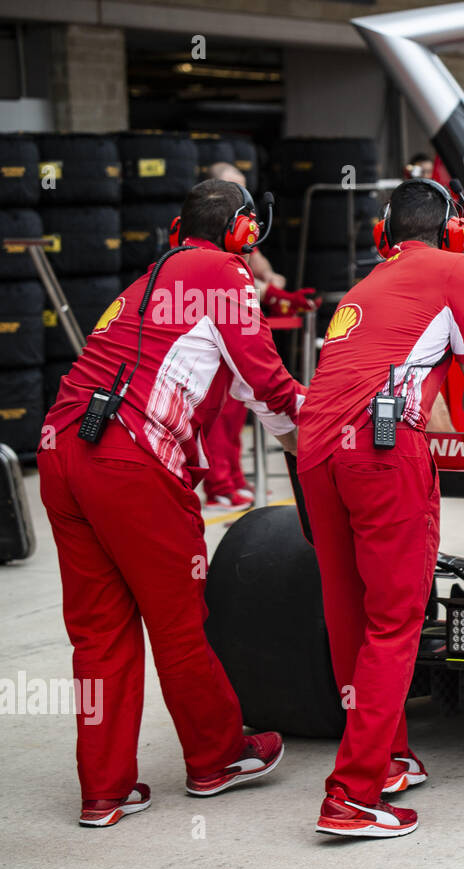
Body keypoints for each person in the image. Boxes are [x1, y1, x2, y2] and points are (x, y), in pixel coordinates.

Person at [39, 179, 302, 826]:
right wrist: (324, 436)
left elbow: (236, 379)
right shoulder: (226, 271)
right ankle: (216, 757)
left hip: (58, 446)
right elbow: (265, 381)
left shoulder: (148, 278)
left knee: (98, 632)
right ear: (242, 229)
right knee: (179, 618)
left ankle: (104, 792)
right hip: (130, 457)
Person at [296, 178, 464, 838]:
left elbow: (410, 371)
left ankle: (385, 758)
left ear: (386, 237)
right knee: (396, 621)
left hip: (317, 451)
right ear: (453, 233)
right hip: (380, 449)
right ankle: (352, 796)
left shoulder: (365, 288)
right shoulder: (455, 267)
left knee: (351, 611)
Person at [202, 161, 318, 512]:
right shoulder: (207, 236)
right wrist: (274, 293)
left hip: (233, 327)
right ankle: (219, 485)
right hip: (213, 334)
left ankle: (235, 479)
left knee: (238, 414)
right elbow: (240, 278)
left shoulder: (237, 232)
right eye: (234, 188)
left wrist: (275, 285)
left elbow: (258, 264)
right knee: (219, 417)